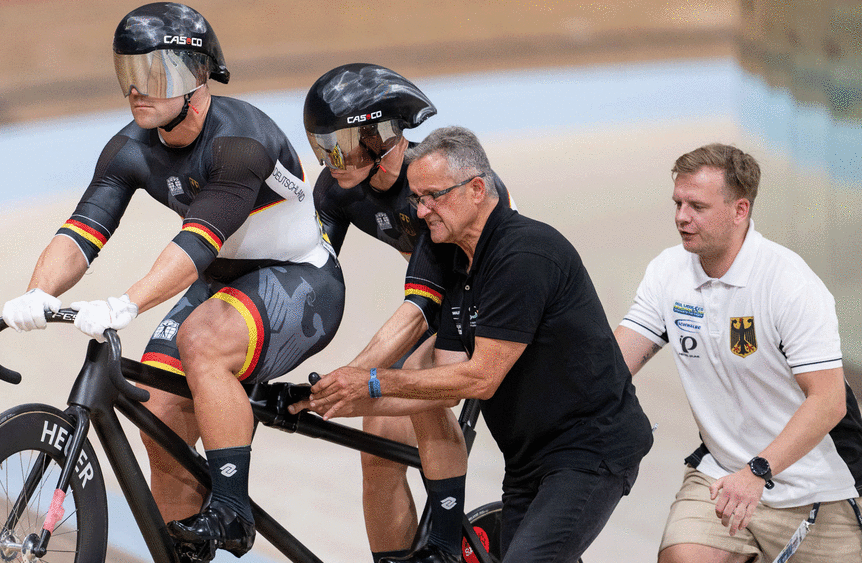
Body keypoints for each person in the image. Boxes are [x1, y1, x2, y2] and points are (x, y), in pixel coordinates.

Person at [0, 3, 345, 560]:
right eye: (127, 75)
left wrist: (126, 303)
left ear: (196, 76)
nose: (136, 91)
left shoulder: (241, 141)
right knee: (159, 422)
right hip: (221, 284)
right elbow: (83, 230)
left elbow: (197, 242)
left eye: (152, 75)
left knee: (202, 341)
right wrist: (38, 292)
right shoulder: (130, 146)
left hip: (302, 280)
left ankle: (231, 509)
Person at [307, 126, 653, 562]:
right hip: (529, 461)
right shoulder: (458, 262)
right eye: (416, 199)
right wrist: (331, 398)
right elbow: (445, 386)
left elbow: (481, 377)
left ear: (476, 189)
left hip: (590, 452)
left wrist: (371, 383)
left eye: (434, 195)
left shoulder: (524, 254)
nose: (422, 211)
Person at [300, 63, 516, 563]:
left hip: (483, 302)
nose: (331, 160)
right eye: (321, 147)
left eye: (341, 146)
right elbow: (310, 271)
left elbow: (421, 309)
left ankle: (441, 546)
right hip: (434, 296)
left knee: (418, 386)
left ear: (380, 137)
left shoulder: (432, 185)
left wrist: (355, 374)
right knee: (375, 449)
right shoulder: (335, 189)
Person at [614, 143, 862, 562]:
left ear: (740, 210)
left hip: (817, 486)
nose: (681, 217)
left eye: (697, 206)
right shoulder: (667, 271)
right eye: (677, 203)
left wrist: (758, 472)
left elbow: (829, 401)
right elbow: (613, 363)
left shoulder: (789, 284)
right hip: (722, 475)